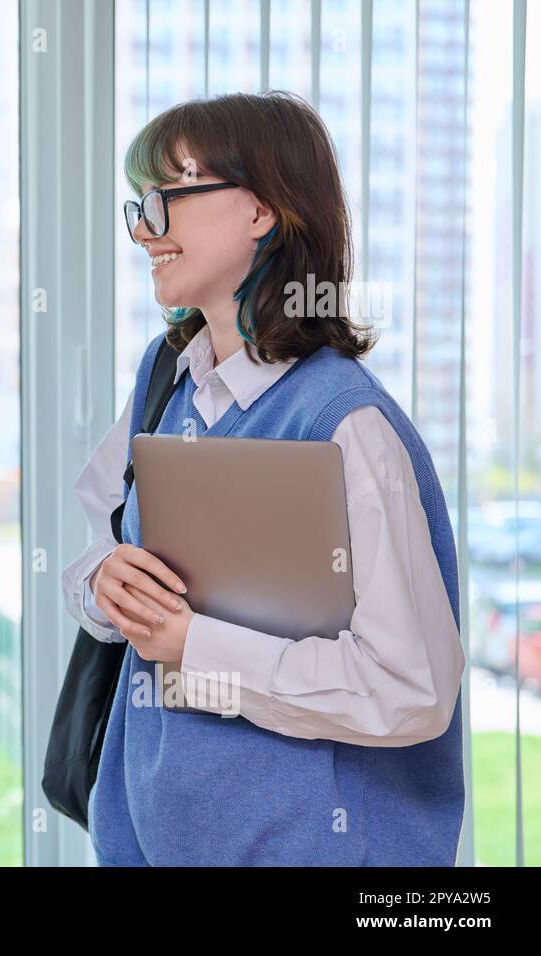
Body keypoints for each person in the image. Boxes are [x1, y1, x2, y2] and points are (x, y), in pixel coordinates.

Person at [60, 92, 465, 866]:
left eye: (166, 199)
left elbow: (411, 688)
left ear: (261, 212)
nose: (145, 230)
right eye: (137, 207)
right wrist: (102, 582)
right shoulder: (163, 377)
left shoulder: (345, 422)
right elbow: (98, 549)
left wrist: (195, 646)